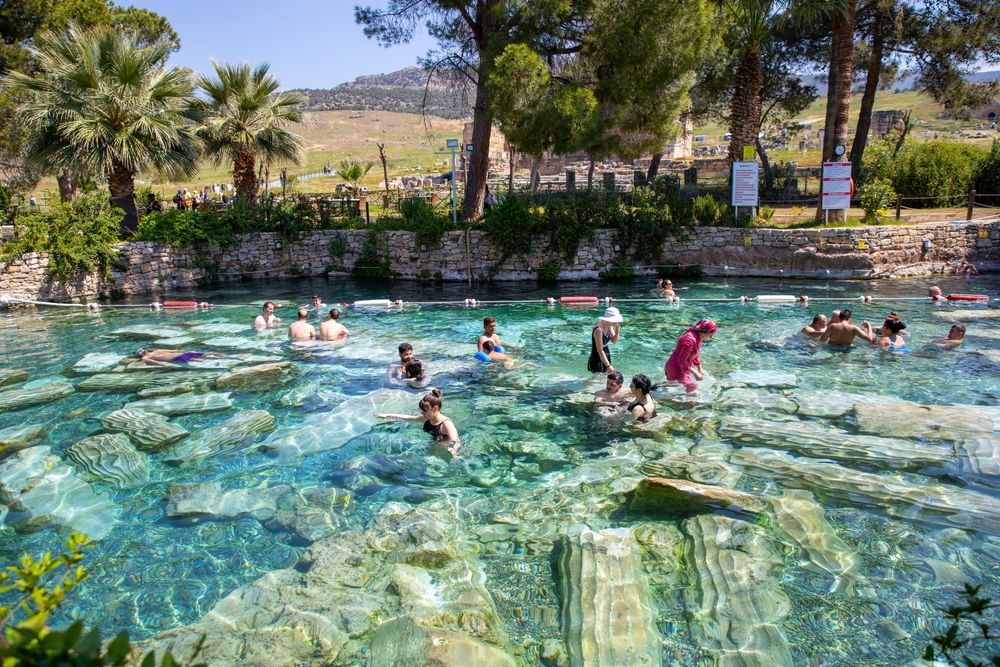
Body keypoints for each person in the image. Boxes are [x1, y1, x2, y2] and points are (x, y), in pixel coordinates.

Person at [375, 389, 460, 456]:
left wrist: (453, 450)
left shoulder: (446, 424)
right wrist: (386, 415)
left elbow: (456, 441)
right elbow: (408, 418)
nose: (422, 413)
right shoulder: (428, 418)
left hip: (442, 449)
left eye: (425, 411)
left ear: (435, 409)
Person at [664, 319, 717, 393]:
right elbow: (681, 361)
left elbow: (695, 354)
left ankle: (660, 387)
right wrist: (695, 373)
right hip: (676, 368)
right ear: (705, 332)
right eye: (710, 335)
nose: (710, 337)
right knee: (692, 386)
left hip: (681, 367)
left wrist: (699, 368)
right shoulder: (689, 341)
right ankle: (686, 403)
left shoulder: (699, 337)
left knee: (674, 385)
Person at [588, 307, 623, 373]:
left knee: (604, 375)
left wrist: (617, 331)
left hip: (606, 353)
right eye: (614, 321)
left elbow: (614, 341)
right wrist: (608, 365)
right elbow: (600, 350)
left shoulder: (610, 327)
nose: (616, 322)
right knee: (597, 376)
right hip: (597, 355)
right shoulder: (598, 330)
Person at [135, 348, 223, 367]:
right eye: (142, 351)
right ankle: (226, 358)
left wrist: (184, 351)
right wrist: (164, 365)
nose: (144, 351)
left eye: (143, 349)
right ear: (142, 354)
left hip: (179, 357)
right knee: (201, 356)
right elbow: (154, 362)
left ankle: (227, 357)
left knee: (206, 354)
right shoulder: (145, 357)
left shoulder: (156, 351)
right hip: (178, 358)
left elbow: (174, 351)